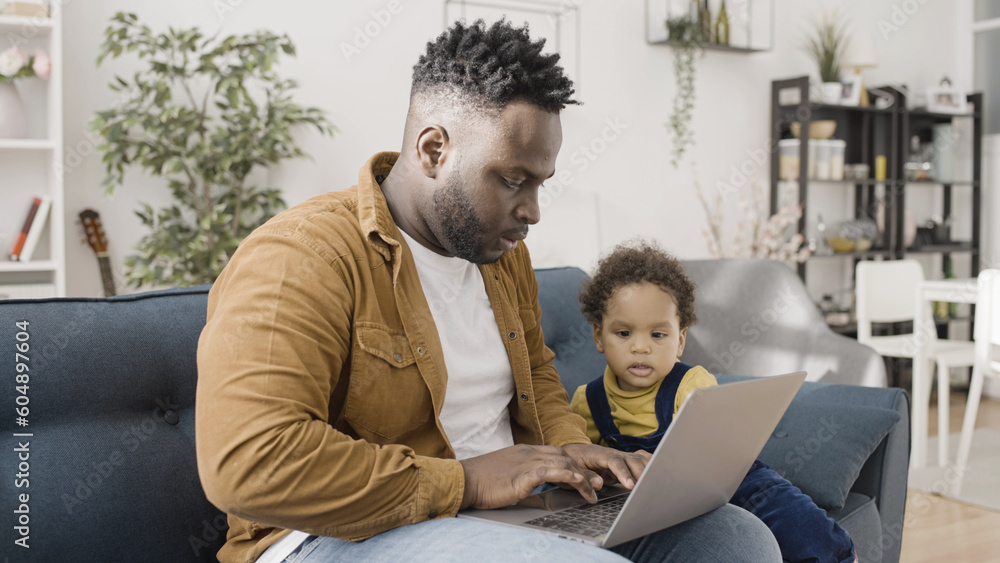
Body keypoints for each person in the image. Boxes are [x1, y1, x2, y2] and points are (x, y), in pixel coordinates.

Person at [196, 19, 781, 563]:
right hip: (337, 534)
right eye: (512, 179)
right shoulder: (301, 257)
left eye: (540, 183)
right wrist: (469, 481)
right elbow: (249, 463)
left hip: (508, 513)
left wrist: (571, 448)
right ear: (433, 150)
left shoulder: (499, 254)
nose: (532, 210)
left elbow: (538, 376)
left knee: (735, 539)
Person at [570, 239, 858, 563]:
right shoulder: (587, 401)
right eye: (624, 333)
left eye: (658, 335)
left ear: (680, 340)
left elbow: (720, 455)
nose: (640, 347)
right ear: (599, 335)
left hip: (728, 482)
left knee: (784, 508)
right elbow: (581, 465)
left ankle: (839, 556)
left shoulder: (691, 384)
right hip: (657, 505)